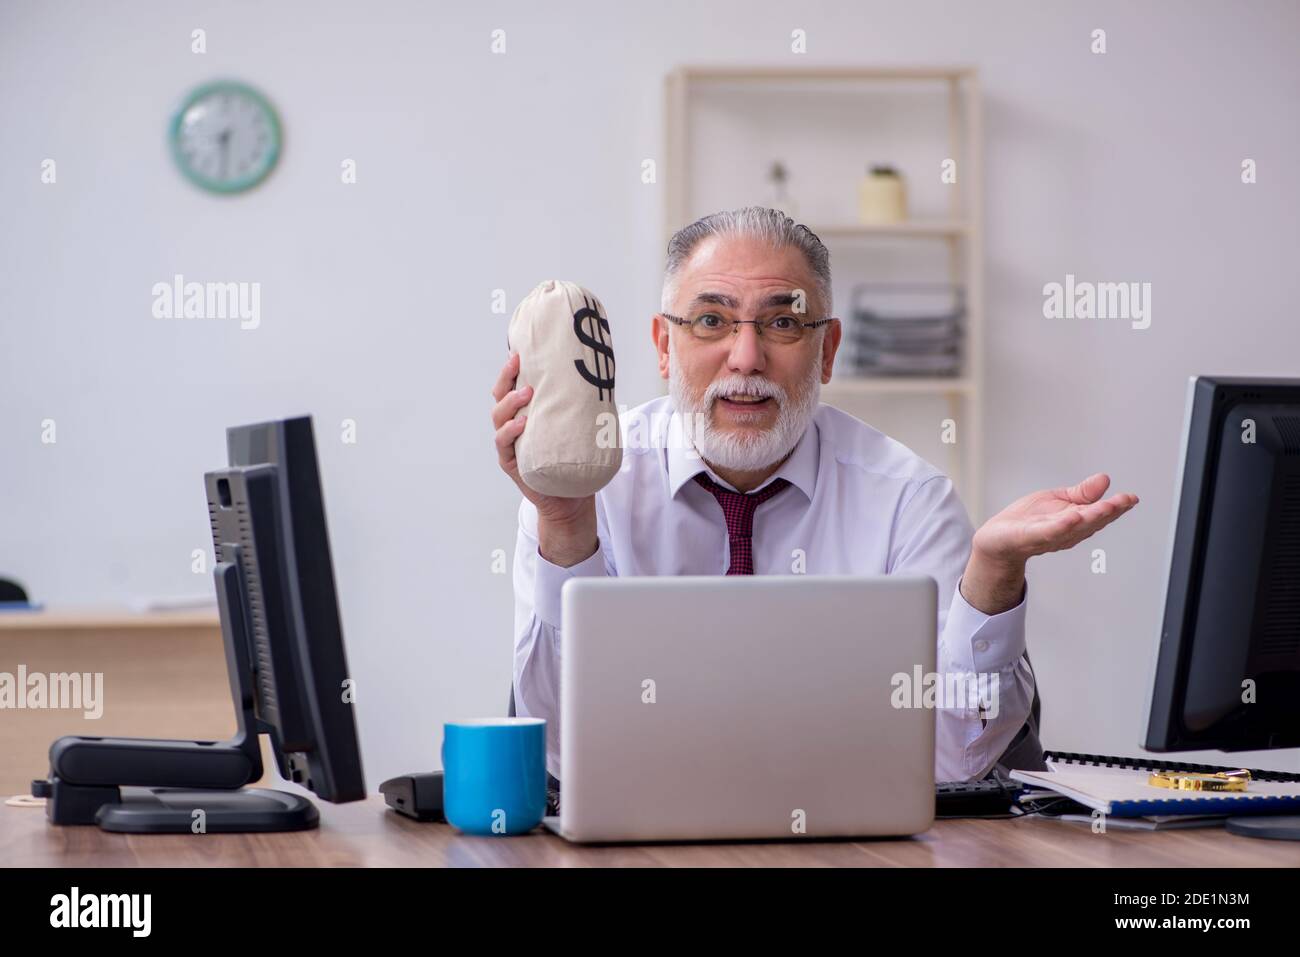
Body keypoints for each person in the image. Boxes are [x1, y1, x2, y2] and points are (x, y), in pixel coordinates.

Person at [491, 207, 1138, 784]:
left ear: (827, 349)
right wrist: (564, 519)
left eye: (782, 323)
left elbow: (957, 758)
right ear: (664, 346)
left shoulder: (908, 500)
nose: (746, 358)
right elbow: (554, 748)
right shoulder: (585, 489)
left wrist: (993, 576)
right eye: (712, 320)